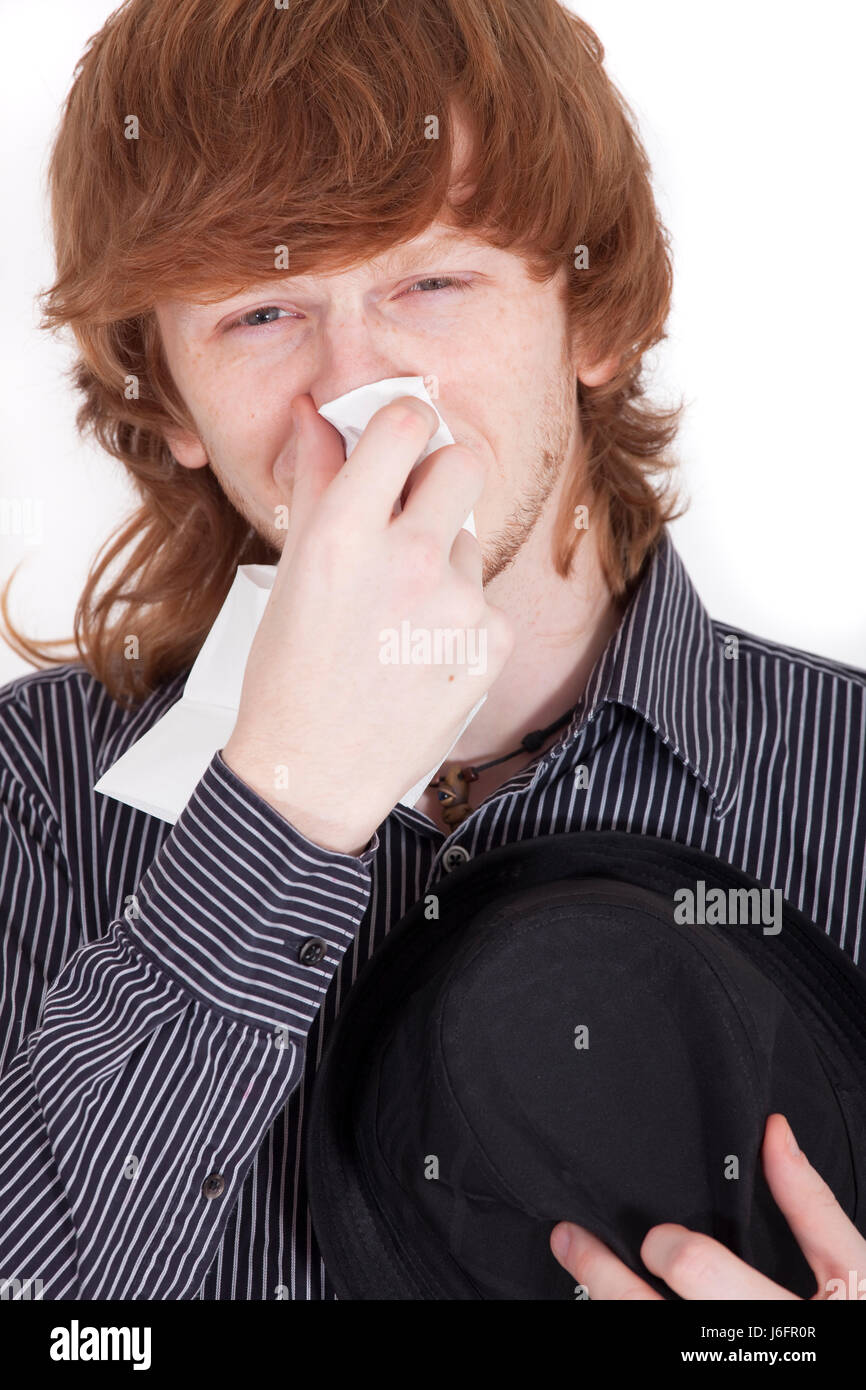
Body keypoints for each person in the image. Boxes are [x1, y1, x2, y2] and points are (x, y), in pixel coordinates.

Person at [1, 0, 863, 1302]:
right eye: (259, 313)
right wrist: (284, 798)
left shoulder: (847, 783)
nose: (363, 394)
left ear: (593, 320)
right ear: (165, 397)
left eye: (431, 280)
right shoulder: (30, 804)